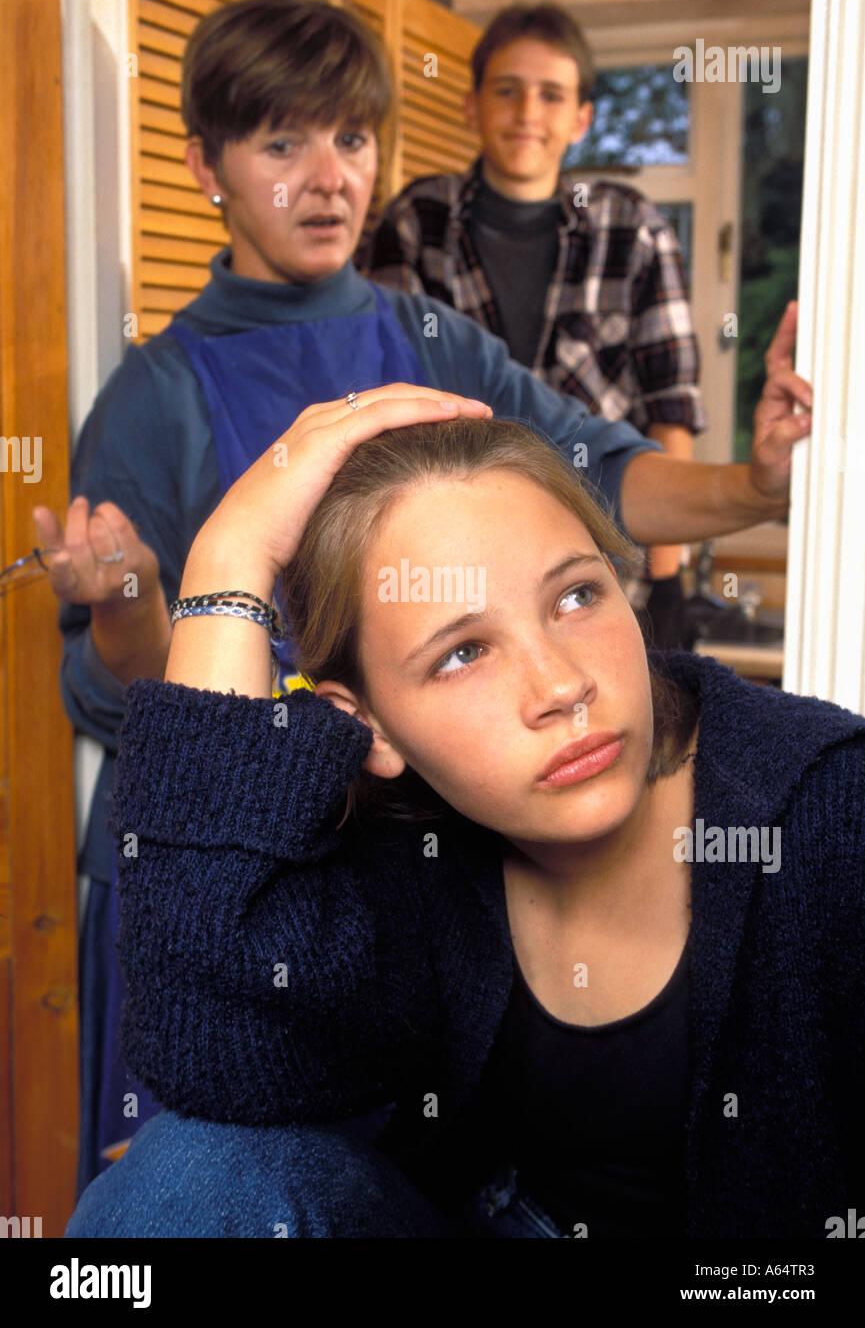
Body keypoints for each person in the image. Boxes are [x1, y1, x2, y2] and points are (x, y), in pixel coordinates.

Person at [35, 0, 808, 1197]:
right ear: (205, 167)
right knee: (206, 1178)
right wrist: (138, 594)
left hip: (405, 877)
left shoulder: (437, 346)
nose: (328, 176)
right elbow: (125, 691)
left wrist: (757, 484)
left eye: (349, 138)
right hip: (222, 883)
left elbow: (606, 476)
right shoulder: (153, 392)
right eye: (280, 142)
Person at [65, 395, 864, 1239]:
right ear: (363, 723)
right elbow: (207, 1043)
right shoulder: (410, 847)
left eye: (576, 596)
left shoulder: (829, 811)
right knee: (183, 1181)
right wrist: (229, 560)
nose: (561, 687)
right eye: (462, 653)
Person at [366, 2, 707, 647]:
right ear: (472, 106)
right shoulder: (415, 221)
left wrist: (669, 584)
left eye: (551, 95)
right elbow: (390, 400)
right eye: (507, 91)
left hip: (607, 567)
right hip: (452, 569)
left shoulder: (633, 229)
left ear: (582, 118)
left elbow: (671, 410)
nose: (527, 113)